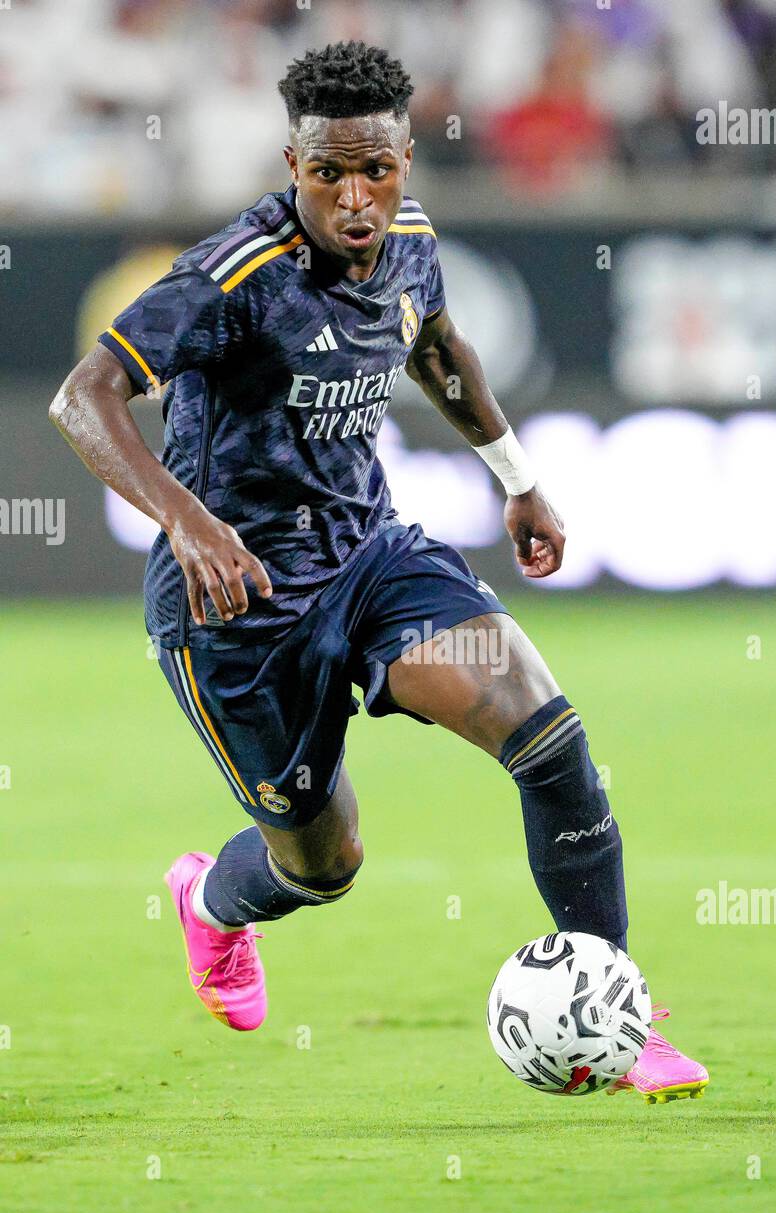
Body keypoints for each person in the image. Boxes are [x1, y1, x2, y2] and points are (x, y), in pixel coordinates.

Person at [50, 40, 707, 1102]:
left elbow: (436, 346)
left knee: (549, 737)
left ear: (407, 157)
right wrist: (185, 521)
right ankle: (213, 903)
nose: (356, 199)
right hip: (238, 606)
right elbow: (85, 396)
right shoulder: (233, 278)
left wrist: (515, 474)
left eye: (378, 171)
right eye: (327, 175)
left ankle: (617, 1009)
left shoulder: (407, 240)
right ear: (290, 163)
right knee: (323, 864)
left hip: (370, 553)